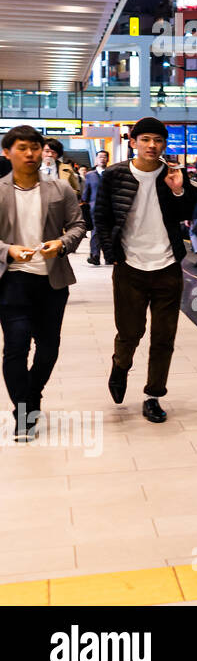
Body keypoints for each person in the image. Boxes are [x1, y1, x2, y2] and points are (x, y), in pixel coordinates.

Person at [95, 117, 197, 424]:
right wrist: (111, 254)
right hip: (129, 266)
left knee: (164, 336)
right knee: (129, 332)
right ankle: (120, 365)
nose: (152, 146)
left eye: (158, 140)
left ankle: (154, 395)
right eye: (146, 140)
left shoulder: (173, 174)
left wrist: (179, 191)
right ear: (133, 142)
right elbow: (100, 216)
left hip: (167, 265)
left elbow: (186, 214)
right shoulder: (115, 175)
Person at [0, 125, 86, 441]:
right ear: (7, 152)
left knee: (48, 349)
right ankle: (24, 413)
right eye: (22, 147)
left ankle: (31, 396)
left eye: (35, 147)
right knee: (15, 347)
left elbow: (78, 226)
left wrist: (61, 244)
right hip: (12, 281)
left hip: (51, 282)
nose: (30, 153)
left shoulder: (60, 189)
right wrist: (8, 249)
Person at [82, 149, 110, 266]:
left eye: (104, 157)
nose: (102, 159)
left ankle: (109, 256)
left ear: (107, 159)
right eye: (100, 157)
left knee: (109, 232)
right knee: (95, 232)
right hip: (94, 208)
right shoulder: (90, 175)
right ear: (96, 159)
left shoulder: (111, 173)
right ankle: (95, 256)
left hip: (109, 208)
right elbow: (86, 192)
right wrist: (84, 204)